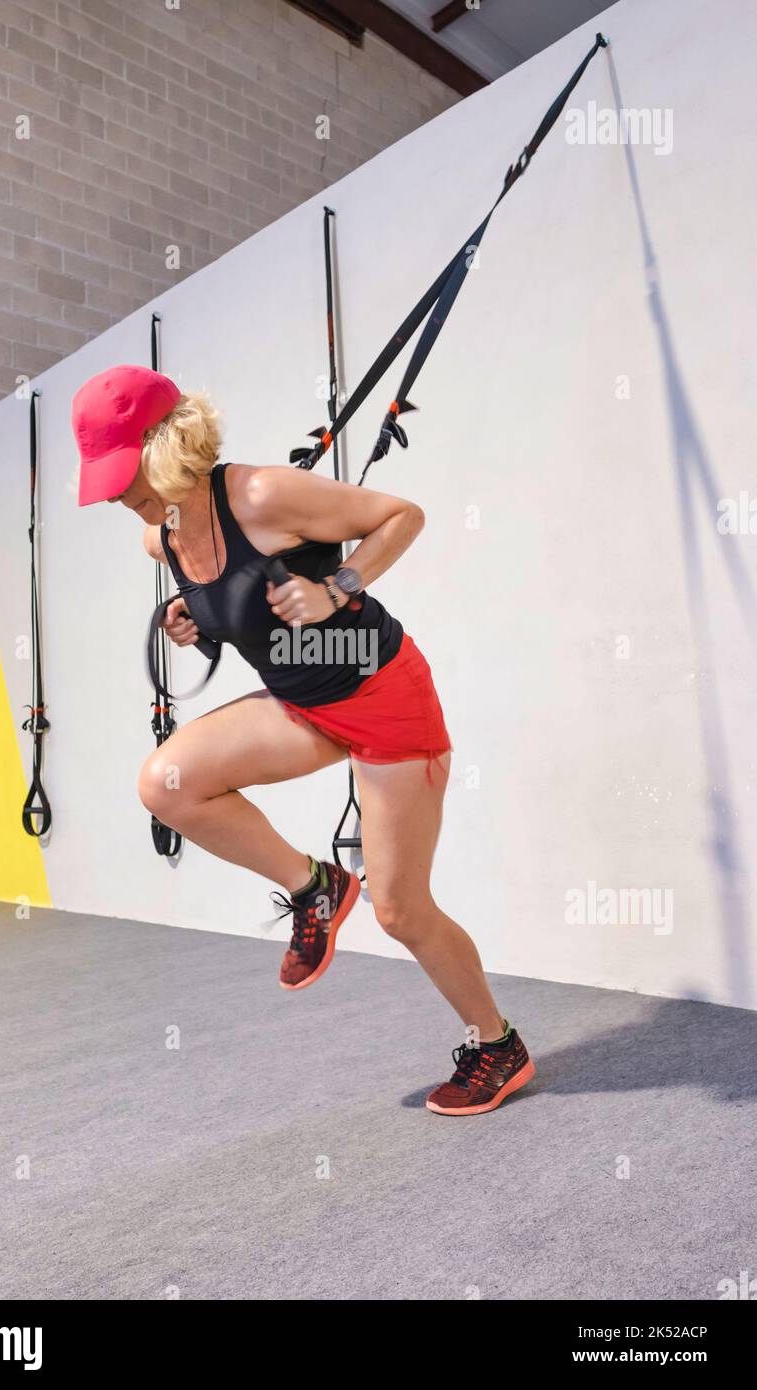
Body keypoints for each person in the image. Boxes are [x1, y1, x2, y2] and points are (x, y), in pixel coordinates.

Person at [72, 364, 536, 1115]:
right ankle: (314, 888)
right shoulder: (162, 541)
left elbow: (402, 515)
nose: (120, 495)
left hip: (383, 697)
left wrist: (339, 588)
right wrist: (191, 625)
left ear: (166, 446)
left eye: (127, 473)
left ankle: (498, 1044)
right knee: (167, 784)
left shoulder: (260, 494)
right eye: (108, 480)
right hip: (303, 703)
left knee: (400, 910)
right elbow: (234, 605)